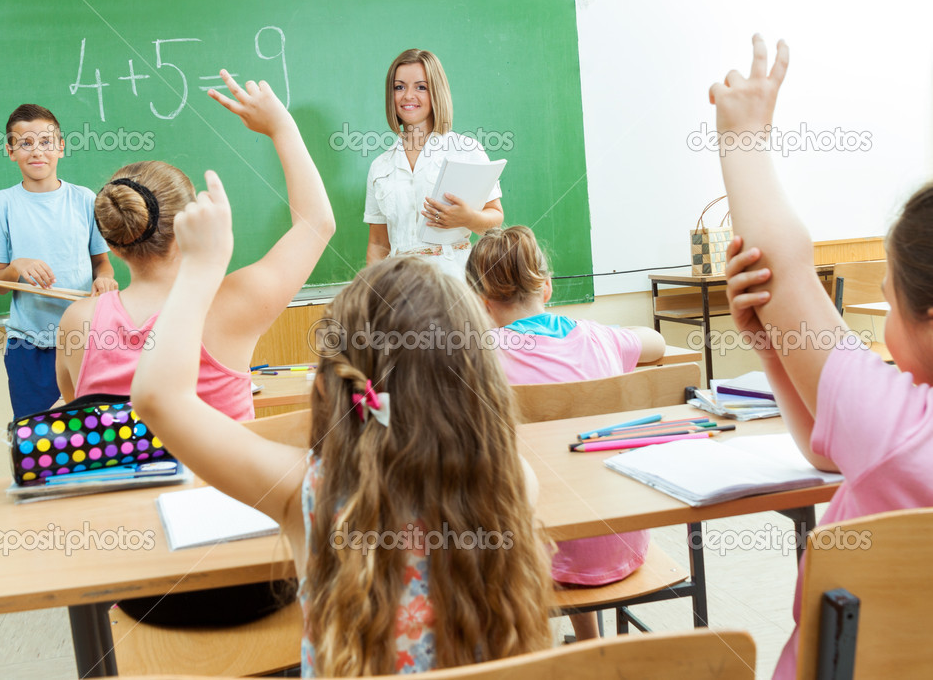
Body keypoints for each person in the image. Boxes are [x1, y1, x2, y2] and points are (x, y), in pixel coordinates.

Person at [131, 190, 554, 674]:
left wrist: (201, 267)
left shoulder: (309, 492)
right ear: (479, 376)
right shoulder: (512, 481)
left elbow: (159, 396)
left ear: (339, 375)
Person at [56, 71, 335, 626]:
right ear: (191, 228)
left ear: (111, 241)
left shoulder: (79, 321)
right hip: (253, 579)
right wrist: (280, 125)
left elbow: (73, 410)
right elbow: (317, 223)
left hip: (140, 588)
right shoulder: (234, 304)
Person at [714, 36, 933, 679]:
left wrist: (741, 135)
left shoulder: (903, 426)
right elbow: (828, 450)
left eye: (888, 305)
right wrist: (770, 347)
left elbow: (780, 266)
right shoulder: (891, 437)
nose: (882, 328)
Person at [465, 224, 665, 640]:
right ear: (548, 287)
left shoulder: (479, 359)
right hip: (622, 543)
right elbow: (656, 346)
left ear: (482, 305)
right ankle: (590, 641)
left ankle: (517, 648)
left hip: (532, 559)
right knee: (574, 475)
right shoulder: (600, 338)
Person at [0, 104, 116, 418]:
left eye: (46, 142)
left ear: (61, 147)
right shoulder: (1, 205)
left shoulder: (85, 200)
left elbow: (102, 265)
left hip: (86, 336)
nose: (36, 151)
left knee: (94, 433)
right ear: (11, 151)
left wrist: (104, 279)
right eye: (25, 143)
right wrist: (17, 266)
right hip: (28, 346)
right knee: (37, 439)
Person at [364, 49, 504, 280]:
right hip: (397, 286)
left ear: (436, 92)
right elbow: (378, 244)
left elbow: (494, 220)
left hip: (453, 280)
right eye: (399, 87)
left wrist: (466, 218)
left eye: (421, 87)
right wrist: (372, 295)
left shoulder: (466, 150)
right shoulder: (380, 166)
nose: (408, 95)